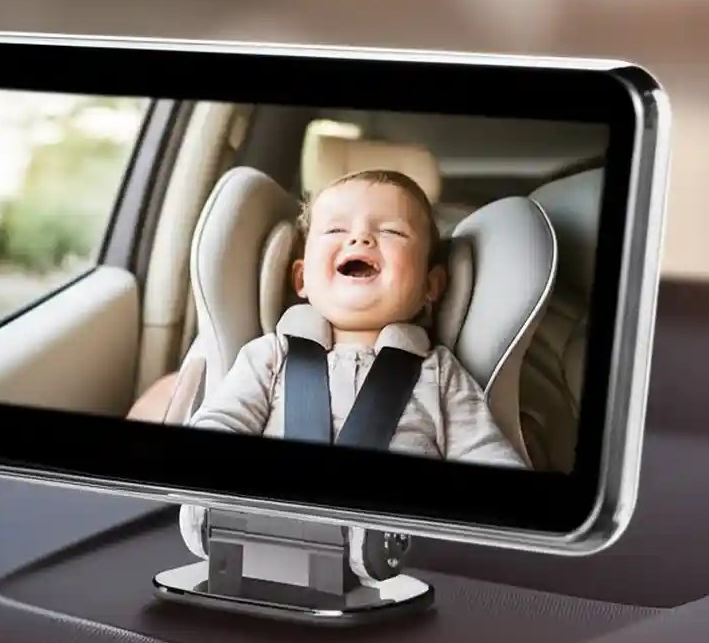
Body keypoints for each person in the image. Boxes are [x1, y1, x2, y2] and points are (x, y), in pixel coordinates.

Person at [184, 169, 526, 466]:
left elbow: (486, 454)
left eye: (392, 231)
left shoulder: (440, 372)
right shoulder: (269, 357)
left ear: (430, 285)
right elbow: (220, 425)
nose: (359, 237)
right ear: (301, 279)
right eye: (335, 230)